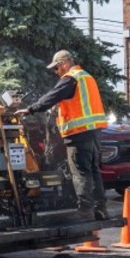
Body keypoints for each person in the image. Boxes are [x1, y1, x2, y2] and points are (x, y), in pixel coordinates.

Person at [22, 49, 109, 219]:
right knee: (93, 171)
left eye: (56, 68)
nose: (56, 72)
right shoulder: (86, 77)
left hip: (78, 134)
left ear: (64, 64)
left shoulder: (70, 78)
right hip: (93, 132)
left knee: (80, 172)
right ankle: (100, 208)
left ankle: (85, 211)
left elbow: (52, 96)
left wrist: (31, 109)